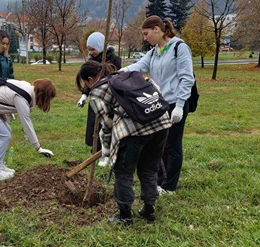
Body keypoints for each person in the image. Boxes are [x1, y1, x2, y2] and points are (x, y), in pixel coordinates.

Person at [76, 60, 171, 225]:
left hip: (132, 133)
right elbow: (155, 88)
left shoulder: (97, 92)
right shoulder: (126, 75)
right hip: (161, 123)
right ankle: (149, 210)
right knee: (149, 169)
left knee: (123, 172)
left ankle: (125, 216)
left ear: (90, 79)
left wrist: (106, 149)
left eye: (85, 83)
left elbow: (107, 126)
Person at [120, 16, 195, 194]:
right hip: (160, 104)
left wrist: (179, 105)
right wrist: (119, 73)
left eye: (146, 34)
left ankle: (169, 186)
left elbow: (187, 78)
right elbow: (140, 66)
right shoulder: (155, 51)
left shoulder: (179, 48)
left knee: (172, 145)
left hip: (176, 103)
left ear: (156, 29)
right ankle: (159, 182)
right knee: (159, 146)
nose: (145, 38)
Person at [0, 78, 56, 180]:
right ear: (43, 96)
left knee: (7, 131)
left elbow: (2, 97)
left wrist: (1, 114)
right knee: (3, 136)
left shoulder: (27, 88)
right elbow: (27, 124)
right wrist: (38, 148)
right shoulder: (23, 97)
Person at [77, 32, 121, 163]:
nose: (91, 52)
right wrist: (84, 95)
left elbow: (117, 78)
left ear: (101, 46)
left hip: (109, 99)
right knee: (94, 126)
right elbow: (88, 80)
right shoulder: (91, 60)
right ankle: (96, 152)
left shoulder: (113, 60)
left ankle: (107, 153)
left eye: (93, 49)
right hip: (95, 99)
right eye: (89, 49)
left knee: (107, 125)